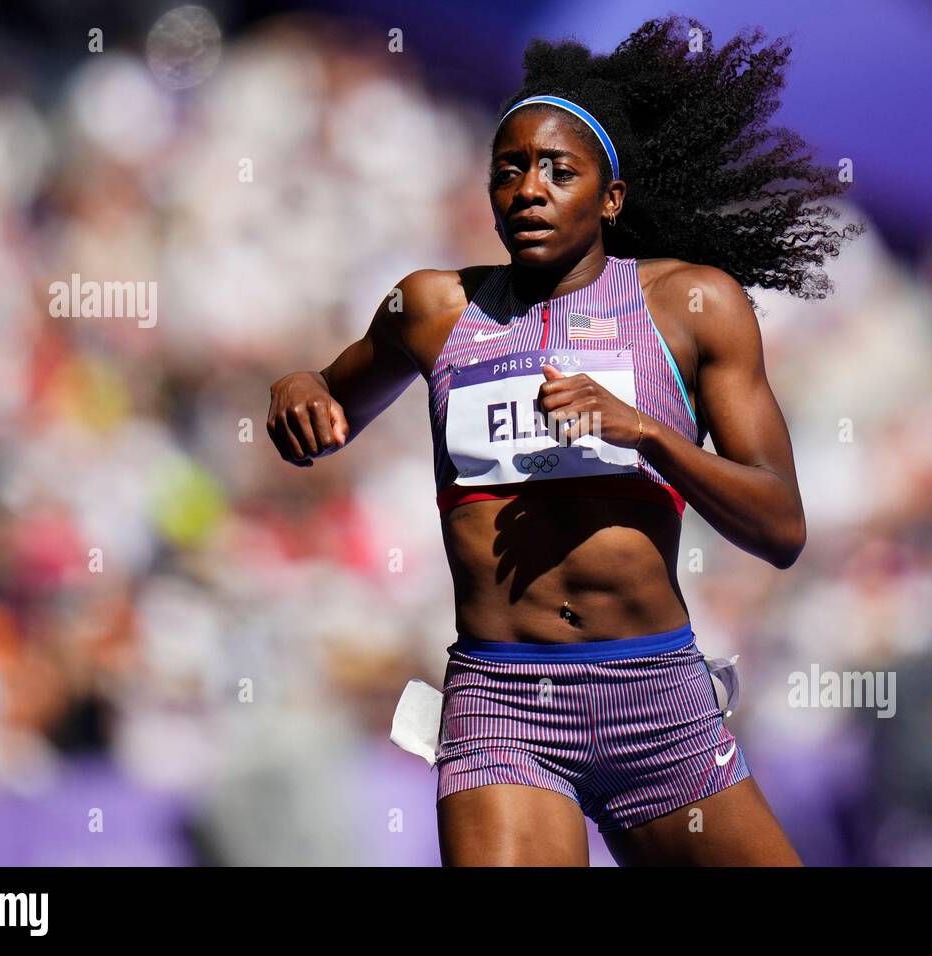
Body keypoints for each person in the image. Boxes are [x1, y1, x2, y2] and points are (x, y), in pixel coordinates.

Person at [267, 15, 860, 865]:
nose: (530, 189)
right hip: (503, 705)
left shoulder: (692, 307)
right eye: (509, 170)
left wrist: (649, 434)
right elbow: (327, 404)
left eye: (557, 170)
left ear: (609, 198)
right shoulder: (434, 310)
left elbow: (782, 529)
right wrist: (298, 391)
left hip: (658, 704)